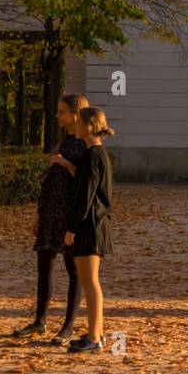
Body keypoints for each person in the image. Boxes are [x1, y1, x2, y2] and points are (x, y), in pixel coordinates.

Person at [13, 92, 89, 344]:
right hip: (50, 212)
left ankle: (68, 327)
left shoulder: (85, 143)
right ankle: (40, 321)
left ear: (76, 114)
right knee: (44, 267)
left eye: (62, 112)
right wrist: (38, 213)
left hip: (70, 215)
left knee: (74, 270)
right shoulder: (63, 140)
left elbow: (88, 181)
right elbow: (49, 183)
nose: (57, 116)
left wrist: (64, 162)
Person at [64, 107, 115, 354]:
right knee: (89, 281)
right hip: (94, 223)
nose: (75, 126)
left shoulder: (94, 155)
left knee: (90, 282)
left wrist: (72, 227)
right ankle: (96, 333)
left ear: (90, 126)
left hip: (90, 226)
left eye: (79, 122)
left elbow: (86, 195)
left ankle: (95, 337)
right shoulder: (96, 154)